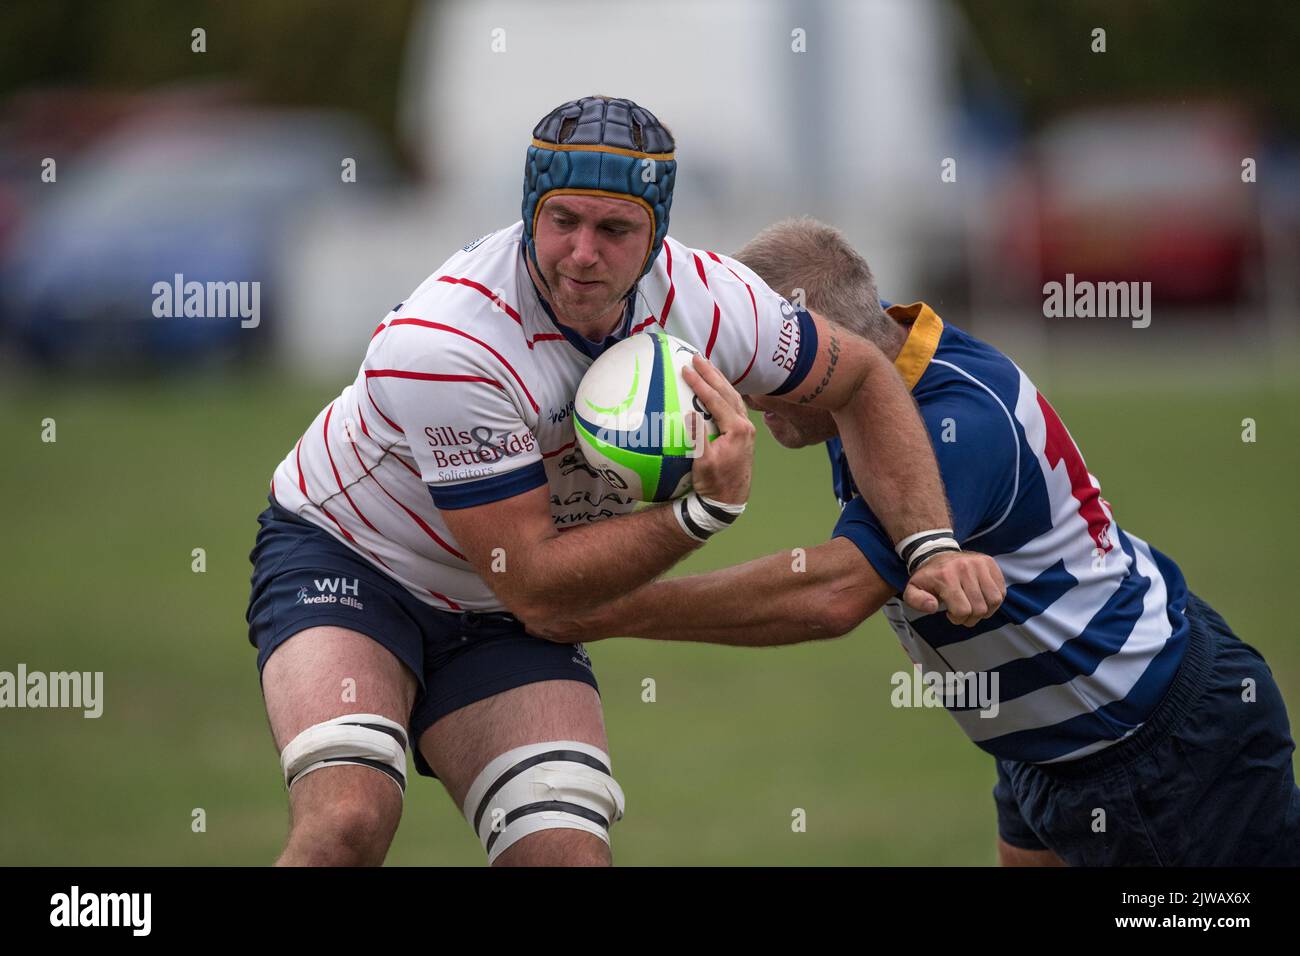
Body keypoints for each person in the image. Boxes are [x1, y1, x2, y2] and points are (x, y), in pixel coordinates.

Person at [245, 100, 1004, 866]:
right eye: (562, 220)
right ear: (529, 211)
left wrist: (930, 546)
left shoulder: (710, 298)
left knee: (568, 858)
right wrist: (699, 515)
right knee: (347, 822)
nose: (582, 253)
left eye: (615, 230)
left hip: (500, 613)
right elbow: (538, 586)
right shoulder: (448, 344)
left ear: (657, 235)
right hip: (353, 562)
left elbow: (865, 376)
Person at [539, 216, 1300, 866]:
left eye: (763, 360)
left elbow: (831, 594)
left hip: (1154, 745)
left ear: (818, 344)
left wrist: (610, 610)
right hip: (1046, 740)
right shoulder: (885, 374)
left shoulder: (949, 421)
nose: (746, 386)